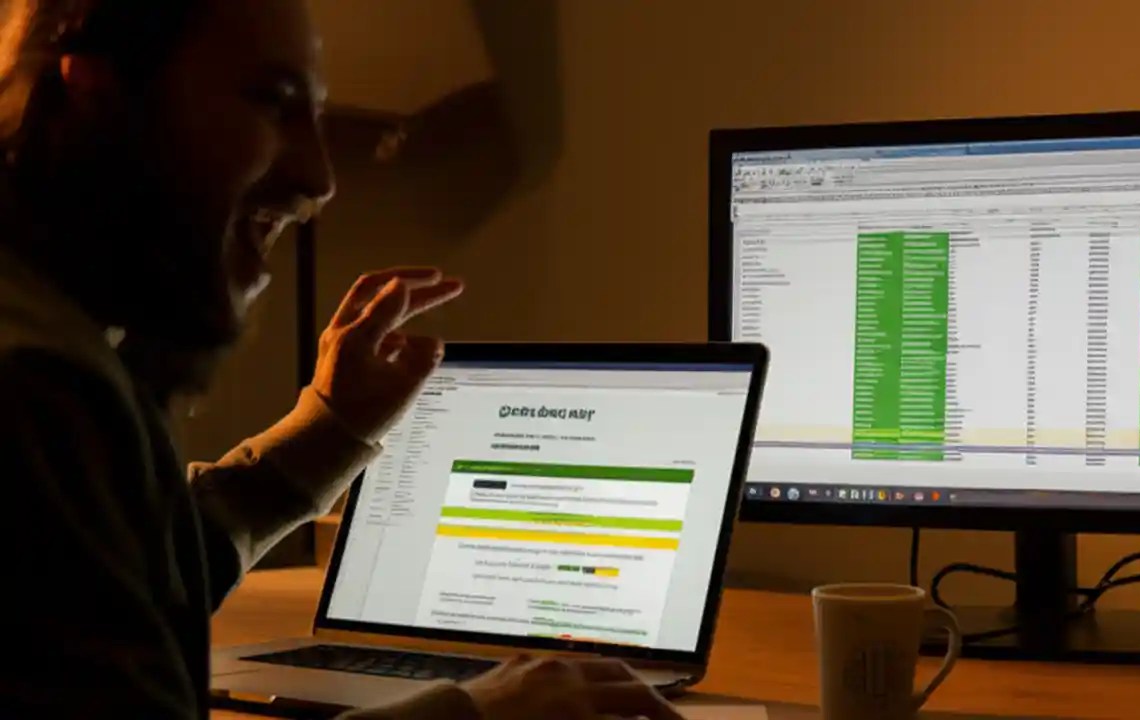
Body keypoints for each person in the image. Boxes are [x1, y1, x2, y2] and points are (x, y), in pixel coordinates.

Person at [0, 1, 684, 719]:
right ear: (99, 95)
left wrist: (331, 429)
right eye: (273, 102)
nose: (320, 179)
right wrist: (474, 713)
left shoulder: (53, 344)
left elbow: (118, 585)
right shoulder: (36, 389)